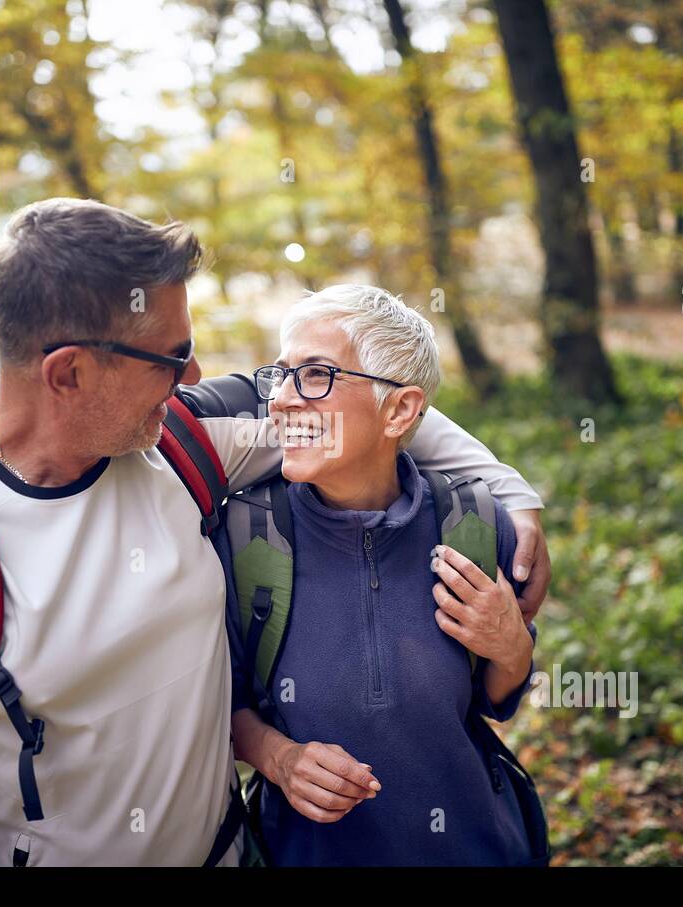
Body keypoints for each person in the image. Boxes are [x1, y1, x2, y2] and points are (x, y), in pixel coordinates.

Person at [0, 199, 548, 866]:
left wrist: (516, 498)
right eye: (172, 357)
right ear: (68, 373)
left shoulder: (184, 438)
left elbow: (364, 411)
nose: (196, 374)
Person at [221, 285, 541, 865]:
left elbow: (498, 699)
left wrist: (513, 648)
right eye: (282, 374)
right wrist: (279, 759)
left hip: (478, 847)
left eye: (316, 375)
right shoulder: (244, 535)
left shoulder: (470, 523)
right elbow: (225, 704)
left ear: (399, 410)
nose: (282, 401)